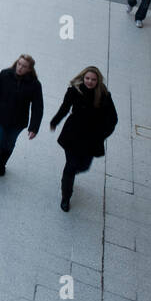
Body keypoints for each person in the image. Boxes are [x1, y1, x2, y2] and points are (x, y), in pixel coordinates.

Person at [47, 65, 117, 211]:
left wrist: (103, 135)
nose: (90, 82)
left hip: (92, 138)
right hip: (73, 134)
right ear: (83, 77)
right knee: (71, 166)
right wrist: (55, 120)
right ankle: (66, 196)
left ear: (98, 81)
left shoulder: (104, 94)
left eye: (93, 79)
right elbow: (65, 108)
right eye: (87, 78)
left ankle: (71, 174)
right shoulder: (74, 91)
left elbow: (113, 118)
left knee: (84, 166)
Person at [0, 54, 44, 185]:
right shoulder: (5, 75)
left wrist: (34, 127)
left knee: (9, 144)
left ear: (30, 69)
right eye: (19, 64)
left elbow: (38, 107)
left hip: (18, 122)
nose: (20, 68)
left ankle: (1, 164)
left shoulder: (35, 85)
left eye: (24, 66)